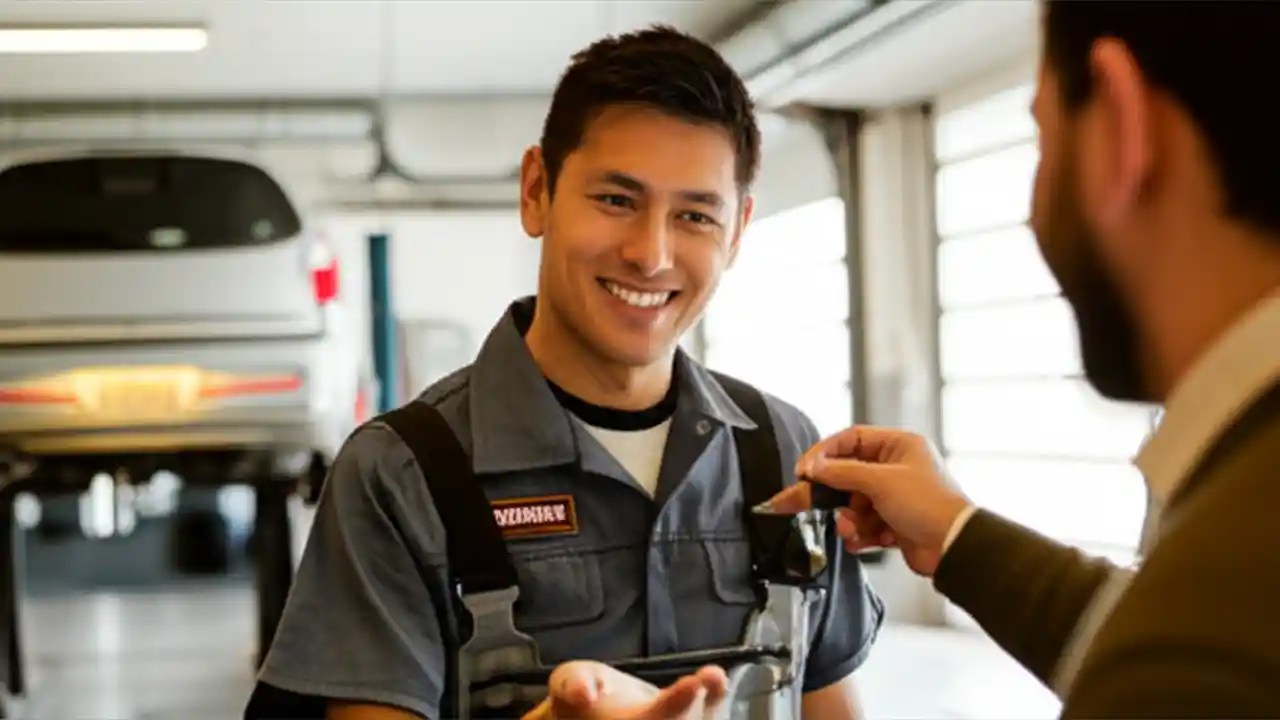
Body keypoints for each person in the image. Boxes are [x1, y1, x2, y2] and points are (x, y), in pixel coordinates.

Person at [248, 25, 883, 720]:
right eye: (616, 200)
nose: (650, 253)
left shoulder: (784, 454)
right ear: (536, 191)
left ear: (736, 232)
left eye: (696, 214)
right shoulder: (400, 478)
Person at [762, 1, 1280, 717]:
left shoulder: (1198, 650)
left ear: (1122, 125)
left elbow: (1176, 653)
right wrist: (955, 532)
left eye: (1041, 134)